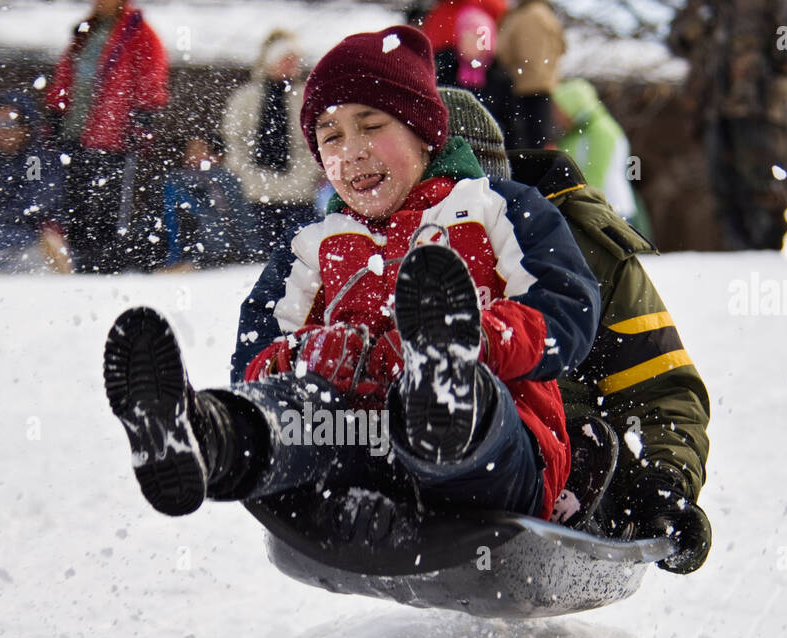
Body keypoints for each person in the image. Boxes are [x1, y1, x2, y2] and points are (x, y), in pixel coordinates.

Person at [102, 26, 601, 531]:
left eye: (371, 125)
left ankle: (443, 387)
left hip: (500, 453)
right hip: (361, 447)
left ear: (422, 131)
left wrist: (469, 340)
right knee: (306, 410)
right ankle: (204, 437)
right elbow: (255, 357)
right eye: (331, 136)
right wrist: (307, 356)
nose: (352, 151)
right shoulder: (314, 247)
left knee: (459, 396)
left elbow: (564, 309)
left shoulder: (495, 208)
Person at [444, 88, 711, 573]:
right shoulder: (370, 245)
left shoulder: (578, 245)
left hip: (562, 469)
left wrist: (666, 482)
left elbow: (661, 387)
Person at [668, 0, 787, 251]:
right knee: (721, 186)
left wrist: (760, 63)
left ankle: (766, 251)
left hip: (757, 105)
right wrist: (696, 22)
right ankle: (738, 253)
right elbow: (678, 42)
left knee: (759, 182)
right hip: (712, 106)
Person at [45, 0, 168, 273]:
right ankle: (81, 261)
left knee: (108, 204)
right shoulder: (86, 31)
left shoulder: (139, 33)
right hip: (76, 130)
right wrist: (56, 108)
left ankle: (105, 264)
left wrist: (142, 116)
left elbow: (151, 75)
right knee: (76, 201)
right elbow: (67, 73)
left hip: (113, 135)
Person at [221, 30, 324, 251]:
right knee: (262, 254)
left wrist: (308, 174)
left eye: (294, 60)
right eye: (286, 59)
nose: (291, 65)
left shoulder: (305, 98)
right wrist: (244, 173)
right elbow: (234, 140)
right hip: (256, 189)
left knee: (300, 252)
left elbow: (315, 141)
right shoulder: (247, 98)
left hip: (299, 188)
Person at [0, 91, 66, 275]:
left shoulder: (34, 161)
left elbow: (37, 202)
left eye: (10, 123)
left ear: (26, 127)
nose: (2, 130)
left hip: (29, 237)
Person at [550, 77, 653, 239]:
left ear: (572, 107)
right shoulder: (575, 135)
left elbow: (594, 176)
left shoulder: (602, 132)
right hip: (592, 213)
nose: (556, 116)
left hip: (613, 213)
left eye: (558, 110)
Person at [162, 134, 255, 268]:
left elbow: (243, 217)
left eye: (199, 149)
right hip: (200, 252)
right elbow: (173, 219)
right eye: (191, 150)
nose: (193, 154)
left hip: (220, 251)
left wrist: (251, 252)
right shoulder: (176, 182)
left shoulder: (225, 180)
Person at [433, 5, 516, 138]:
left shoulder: (500, 78)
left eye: (476, 38)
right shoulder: (445, 70)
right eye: (465, 37)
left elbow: (512, 126)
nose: (469, 43)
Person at [495, 0, 566, 148]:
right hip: (535, 89)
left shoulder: (531, 16)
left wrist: (506, 72)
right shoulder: (537, 12)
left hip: (527, 91)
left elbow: (530, 58)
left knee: (531, 149)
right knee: (538, 144)